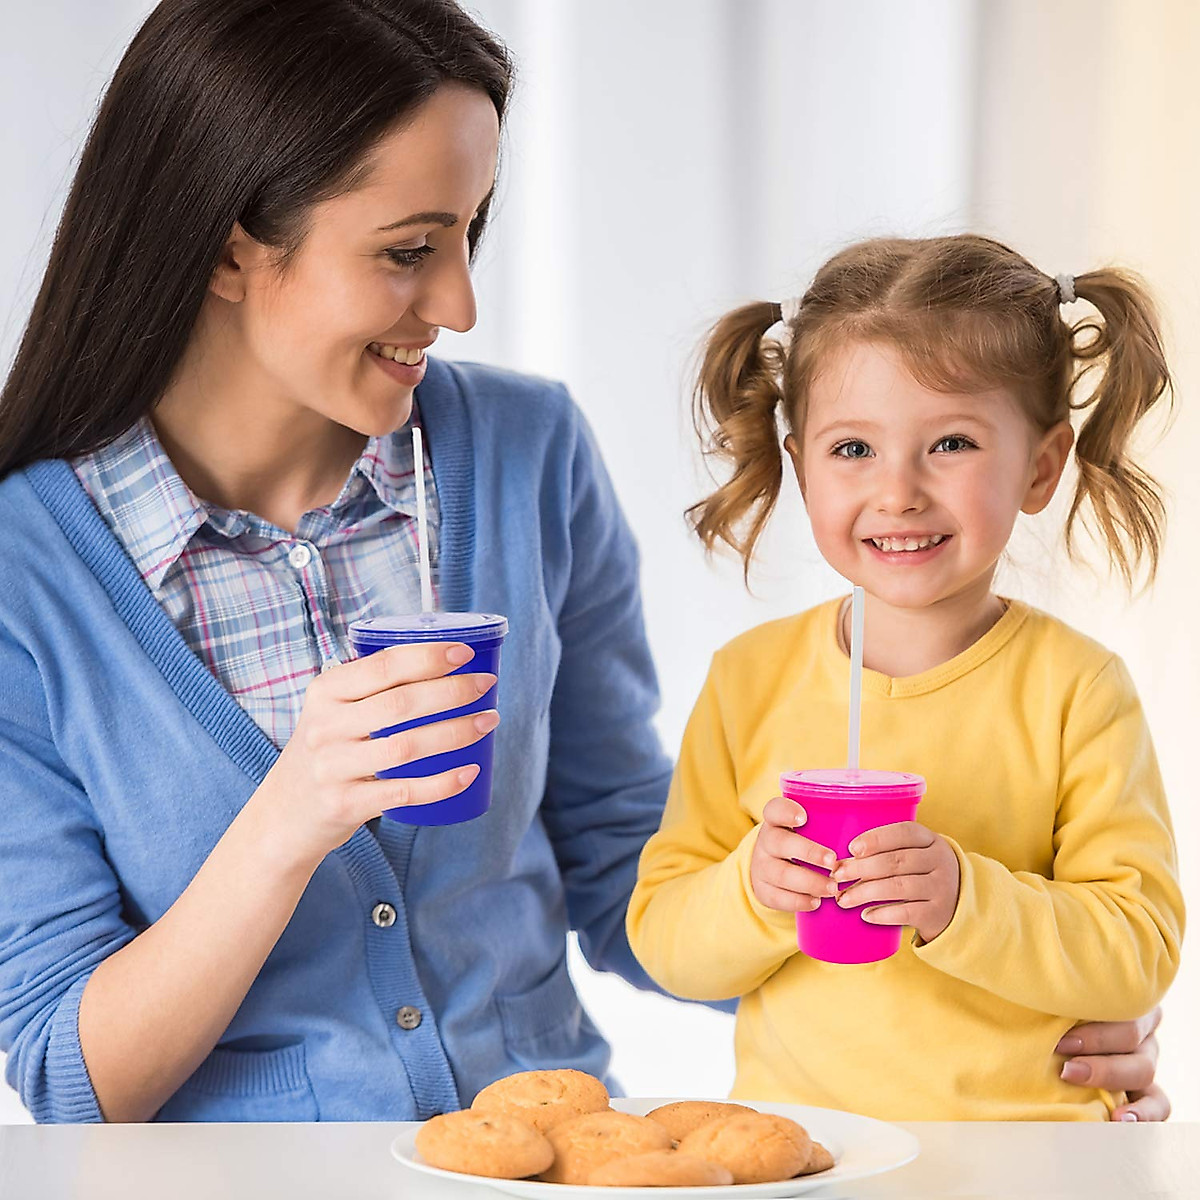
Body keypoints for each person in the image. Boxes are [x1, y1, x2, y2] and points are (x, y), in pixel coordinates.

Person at [0, 0, 1168, 1124]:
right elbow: (73, 1077)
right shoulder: (28, 571)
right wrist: (292, 814)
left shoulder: (524, 453)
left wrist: (1006, 1007)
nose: (459, 303)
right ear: (229, 248)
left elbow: (630, 876)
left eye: (469, 235)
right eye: (408, 250)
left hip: (557, 1152)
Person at [627, 235, 1185, 1121]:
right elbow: (665, 941)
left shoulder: (1078, 690)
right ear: (800, 464)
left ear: (1040, 467)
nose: (899, 493)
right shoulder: (748, 681)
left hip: (1027, 1157)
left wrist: (965, 899)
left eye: (951, 442)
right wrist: (753, 891)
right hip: (812, 1154)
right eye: (853, 448)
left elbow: (1139, 952)